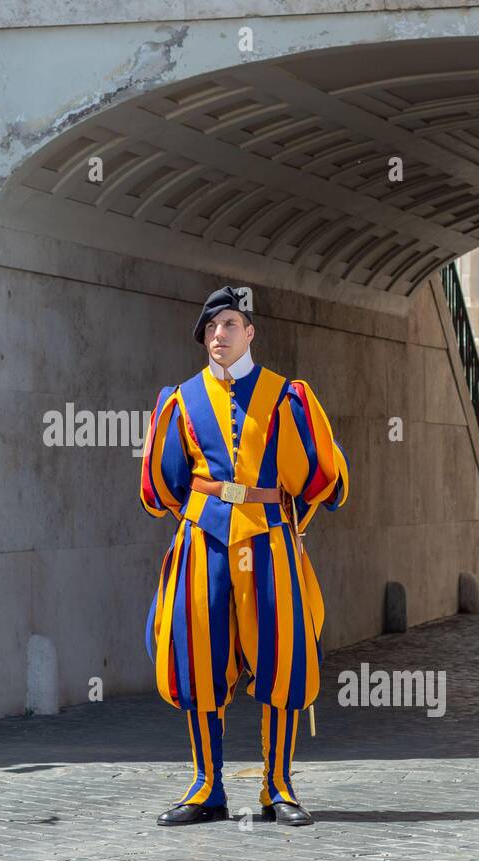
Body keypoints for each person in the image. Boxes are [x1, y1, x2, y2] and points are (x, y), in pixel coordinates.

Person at [139, 285, 349, 827]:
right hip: (202, 540)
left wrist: (285, 521)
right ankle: (207, 786)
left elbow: (315, 475)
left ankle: (277, 786)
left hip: (268, 536)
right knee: (197, 659)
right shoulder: (182, 399)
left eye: (229, 325)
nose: (218, 336)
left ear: (249, 331)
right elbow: (165, 484)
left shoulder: (285, 396)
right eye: (210, 329)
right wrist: (197, 517)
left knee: (281, 659)